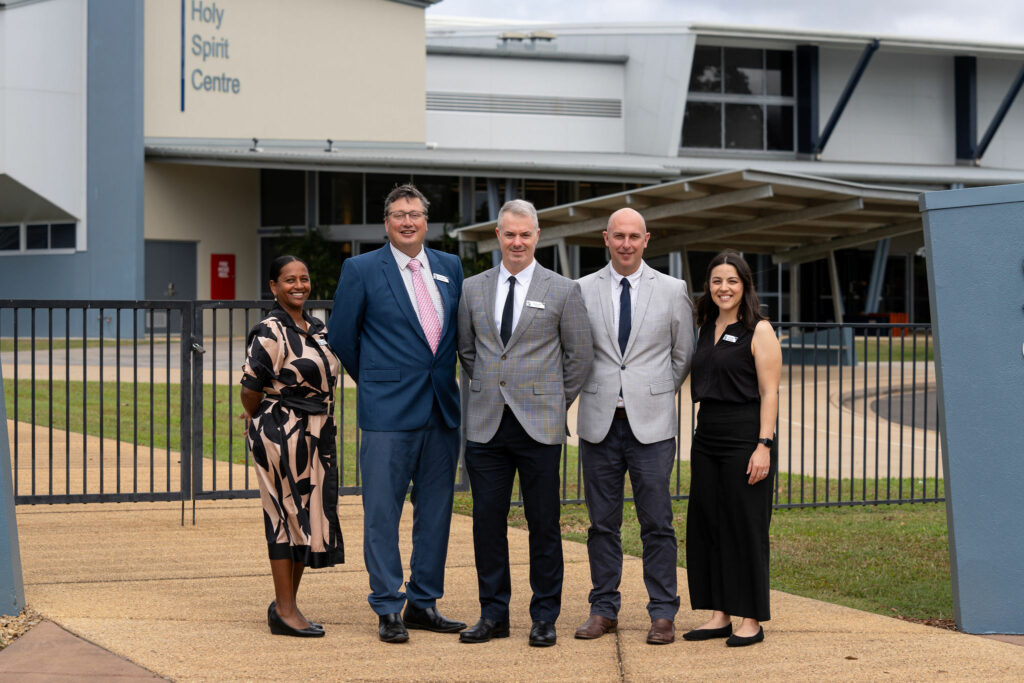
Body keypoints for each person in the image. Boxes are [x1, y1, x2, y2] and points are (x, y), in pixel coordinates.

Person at [328, 184, 466, 644]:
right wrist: (376, 381)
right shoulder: (362, 269)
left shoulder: (450, 267)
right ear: (386, 223)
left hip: (441, 409)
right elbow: (344, 338)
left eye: (416, 214)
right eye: (398, 214)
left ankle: (424, 601)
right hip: (388, 412)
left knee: (436, 512)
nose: (408, 221)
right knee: (381, 513)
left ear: (427, 221)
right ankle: (388, 605)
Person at [456, 198, 593, 648]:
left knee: (544, 524)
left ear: (537, 236)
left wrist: (553, 400)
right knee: (487, 523)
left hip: (539, 425)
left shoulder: (563, 289)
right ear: (498, 235)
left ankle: (544, 616)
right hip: (486, 423)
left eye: (525, 234)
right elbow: (468, 351)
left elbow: (579, 357)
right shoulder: (473, 288)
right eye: (509, 234)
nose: (517, 242)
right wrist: (489, 387)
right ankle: (493, 614)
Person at [573, 208, 694, 645]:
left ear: (647, 239)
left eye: (634, 236)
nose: (626, 243)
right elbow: (575, 350)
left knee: (657, 523)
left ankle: (663, 612)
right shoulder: (581, 289)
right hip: (599, 424)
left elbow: (683, 355)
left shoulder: (673, 290)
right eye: (618, 236)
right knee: (602, 525)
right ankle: (604, 609)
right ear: (605, 238)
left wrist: (654, 392)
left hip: (652, 427)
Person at [240, 255, 344, 638]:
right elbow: (249, 392)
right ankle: (285, 611)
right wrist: (262, 417)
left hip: (316, 432)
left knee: (306, 517)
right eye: (288, 280)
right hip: (280, 433)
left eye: (303, 278)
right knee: (285, 516)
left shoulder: (317, 328)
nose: (298, 285)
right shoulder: (270, 330)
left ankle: (287, 605)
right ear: (273, 286)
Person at [683, 249, 782, 647]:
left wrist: (764, 445)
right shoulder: (705, 327)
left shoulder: (759, 329)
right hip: (707, 435)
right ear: (708, 285)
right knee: (709, 525)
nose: (724, 288)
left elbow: (770, 391)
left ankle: (751, 619)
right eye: (717, 281)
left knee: (745, 528)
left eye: (732, 281)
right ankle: (719, 614)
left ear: (744, 286)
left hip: (745, 436)